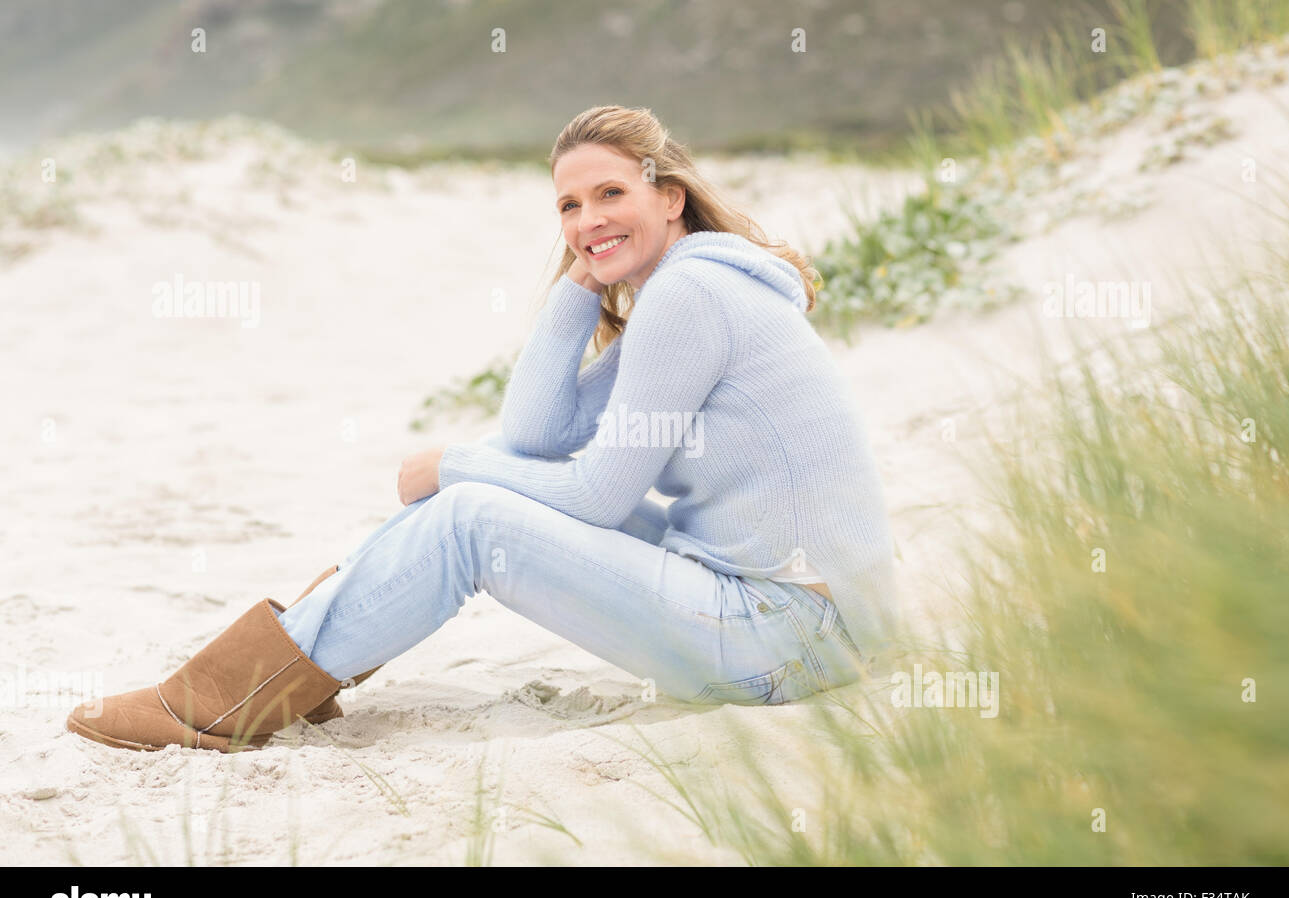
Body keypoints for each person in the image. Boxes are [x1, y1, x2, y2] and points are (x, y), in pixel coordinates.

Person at [65, 104, 900, 753]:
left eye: (613, 193)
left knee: (469, 512)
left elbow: (601, 497)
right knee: (487, 476)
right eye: (569, 206)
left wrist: (451, 469)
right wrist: (583, 280)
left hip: (795, 635)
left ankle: (238, 691)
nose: (587, 217)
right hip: (800, 617)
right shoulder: (687, 292)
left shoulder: (692, 297)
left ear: (670, 196)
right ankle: (295, 663)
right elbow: (537, 436)